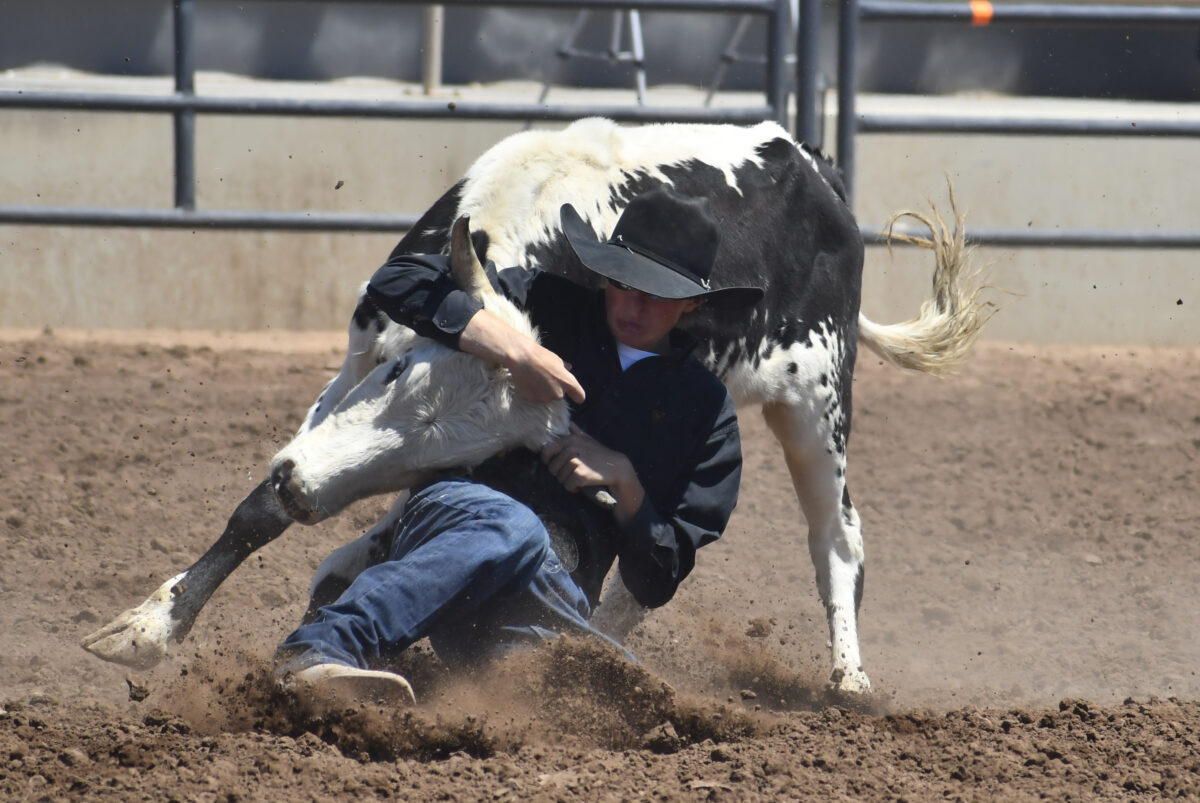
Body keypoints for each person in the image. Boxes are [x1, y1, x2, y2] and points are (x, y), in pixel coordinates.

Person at [275, 186, 764, 704]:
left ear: (693, 302)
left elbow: (655, 580)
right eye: (623, 282)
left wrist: (627, 485)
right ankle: (317, 650)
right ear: (604, 273)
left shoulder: (706, 414)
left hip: (553, 592)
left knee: (622, 695)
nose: (634, 303)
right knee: (513, 527)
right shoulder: (542, 302)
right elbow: (396, 281)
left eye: (656, 292)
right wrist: (516, 349)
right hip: (460, 515)